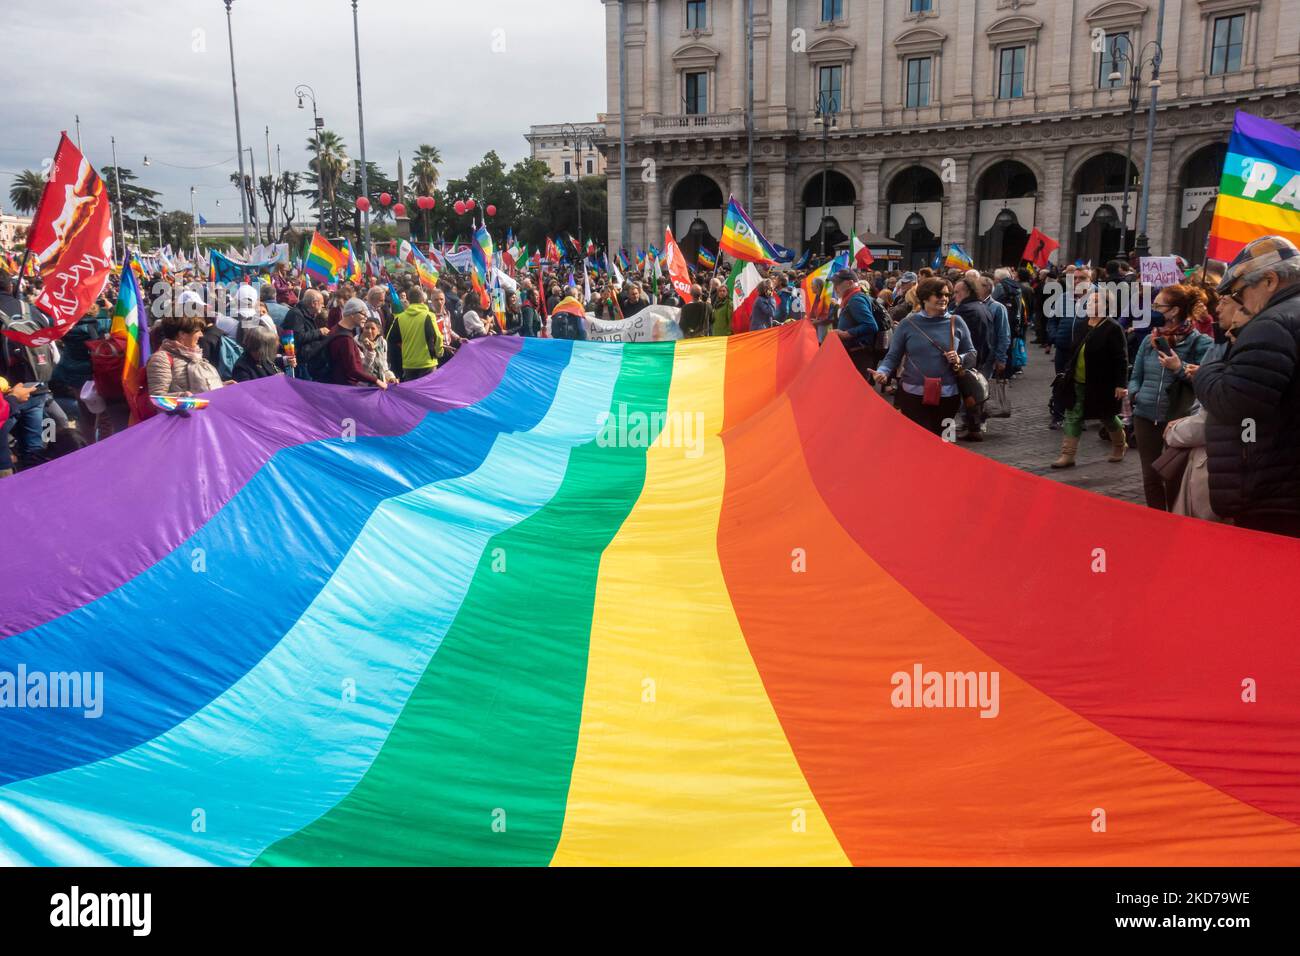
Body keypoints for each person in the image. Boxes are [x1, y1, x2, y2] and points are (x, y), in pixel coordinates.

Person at [1194, 235, 1300, 536]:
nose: (1238, 302)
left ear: (1269, 280)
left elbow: (1236, 405)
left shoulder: (1272, 324)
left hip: (1274, 491)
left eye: (1240, 292)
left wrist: (1207, 370)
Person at [1127, 283, 1215, 510]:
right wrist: (1136, 394)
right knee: (1151, 475)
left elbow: (1206, 380)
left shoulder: (1200, 342)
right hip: (1145, 414)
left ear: (1174, 311)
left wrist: (1179, 367)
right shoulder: (1150, 340)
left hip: (1177, 417)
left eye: (1158, 305)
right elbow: (1136, 374)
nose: (1153, 309)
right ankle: (1156, 521)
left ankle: (1175, 520)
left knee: (1174, 474)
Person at [872, 277, 975, 435]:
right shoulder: (908, 324)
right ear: (925, 297)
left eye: (947, 295)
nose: (944, 299)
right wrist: (883, 372)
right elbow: (893, 356)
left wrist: (959, 358)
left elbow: (972, 354)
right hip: (913, 396)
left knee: (944, 442)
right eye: (939, 295)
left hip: (948, 396)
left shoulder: (957, 321)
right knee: (917, 441)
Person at [1051, 288, 1129, 468]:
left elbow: (1121, 359)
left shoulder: (1113, 328)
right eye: (1089, 302)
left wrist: (1120, 384)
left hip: (1101, 382)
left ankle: (1119, 445)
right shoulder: (1081, 325)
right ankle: (1067, 454)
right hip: (1076, 381)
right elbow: (1073, 351)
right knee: (1072, 415)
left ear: (1107, 306)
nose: (1091, 305)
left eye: (1096, 302)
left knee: (1107, 416)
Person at [146, 312, 228, 397]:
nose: (201, 335)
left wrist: (221, 386)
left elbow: (198, 386)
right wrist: (184, 397)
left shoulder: (194, 355)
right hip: (183, 410)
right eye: (197, 331)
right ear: (182, 334)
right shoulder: (161, 359)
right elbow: (157, 398)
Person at [325, 298, 389, 389]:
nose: (366, 317)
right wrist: (376, 381)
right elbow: (353, 370)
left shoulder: (337, 329)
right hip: (345, 388)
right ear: (352, 314)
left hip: (339, 386)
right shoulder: (345, 339)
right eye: (363, 314)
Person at [831, 269, 880, 379]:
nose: (835, 288)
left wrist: (846, 334)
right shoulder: (852, 297)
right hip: (855, 354)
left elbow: (871, 325)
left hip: (858, 355)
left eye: (837, 284)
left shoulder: (855, 299)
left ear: (849, 283)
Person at [387, 287, 444, 382]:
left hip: (409, 364)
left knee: (412, 395)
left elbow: (390, 339)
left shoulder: (399, 318)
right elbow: (438, 337)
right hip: (427, 363)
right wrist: (439, 352)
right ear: (423, 300)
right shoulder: (429, 315)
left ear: (408, 300)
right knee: (427, 393)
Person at [281, 289, 331, 380]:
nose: (323, 306)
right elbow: (298, 337)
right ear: (314, 303)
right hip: (301, 363)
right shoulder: (296, 314)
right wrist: (319, 332)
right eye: (322, 303)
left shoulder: (306, 314)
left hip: (308, 362)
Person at [359, 317, 397, 384]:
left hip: (380, 384)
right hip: (364, 385)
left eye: (373, 328)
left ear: (378, 331)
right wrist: (370, 351)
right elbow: (363, 369)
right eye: (366, 328)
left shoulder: (382, 343)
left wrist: (391, 377)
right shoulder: (356, 343)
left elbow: (384, 366)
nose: (369, 331)